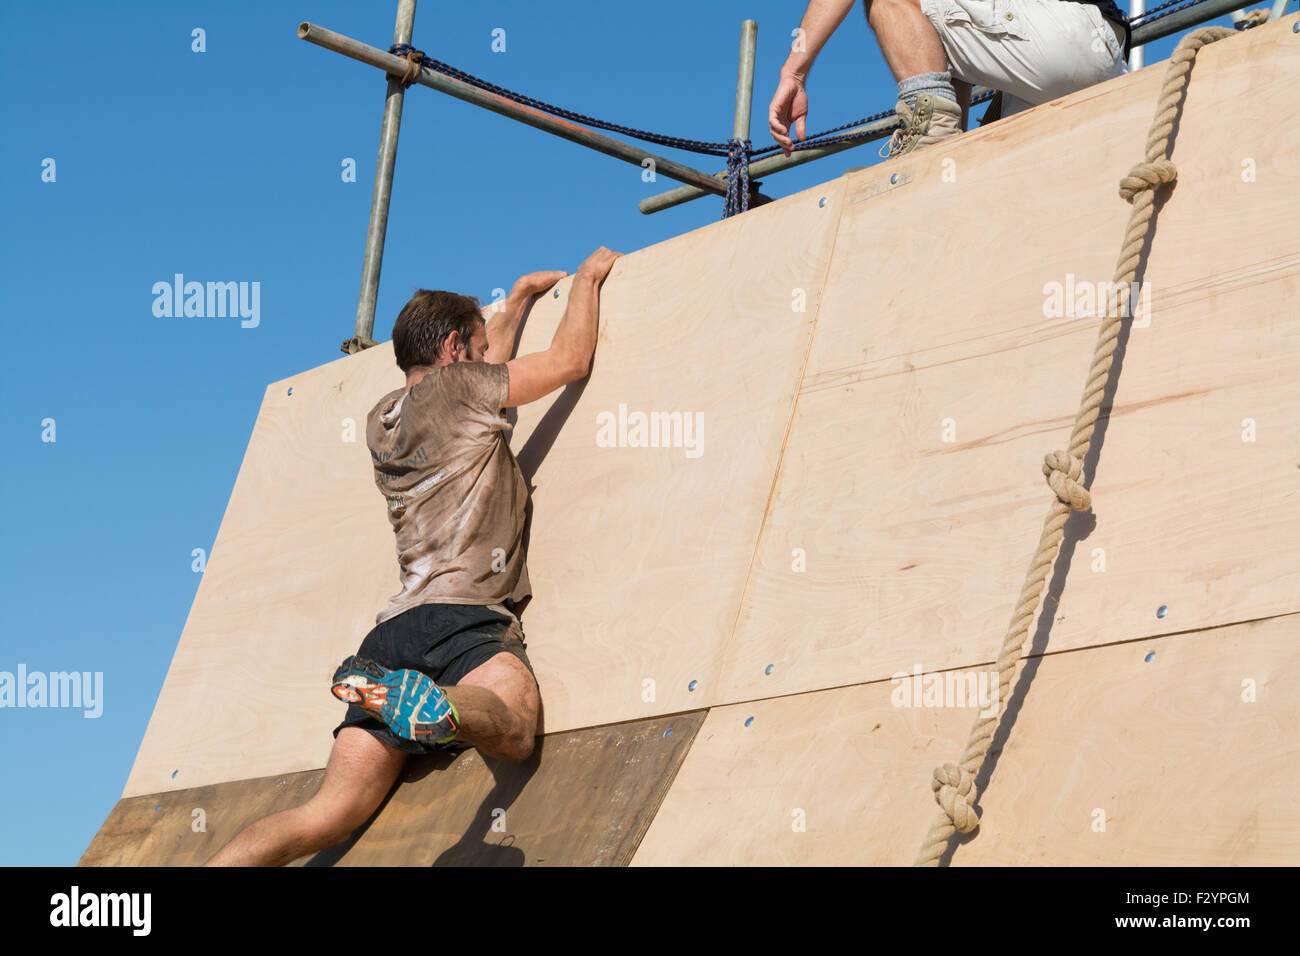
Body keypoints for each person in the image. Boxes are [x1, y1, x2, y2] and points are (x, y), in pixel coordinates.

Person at [205, 246, 621, 866]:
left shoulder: (384, 418)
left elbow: (489, 367)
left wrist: (518, 296)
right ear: (454, 349)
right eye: (478, 350)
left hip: (389, 637)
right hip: (463, 620)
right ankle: (441, 705)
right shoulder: (462, 390)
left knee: (326, 815)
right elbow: (567, 361)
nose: (487, 359)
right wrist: (587, 279)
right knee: (514, 721)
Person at [769, 0, 1130, 159]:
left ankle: (934, 141)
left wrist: (794, 71)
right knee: (935, 36)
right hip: (1100, 52)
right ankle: (948, 147)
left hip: (1065, 33)